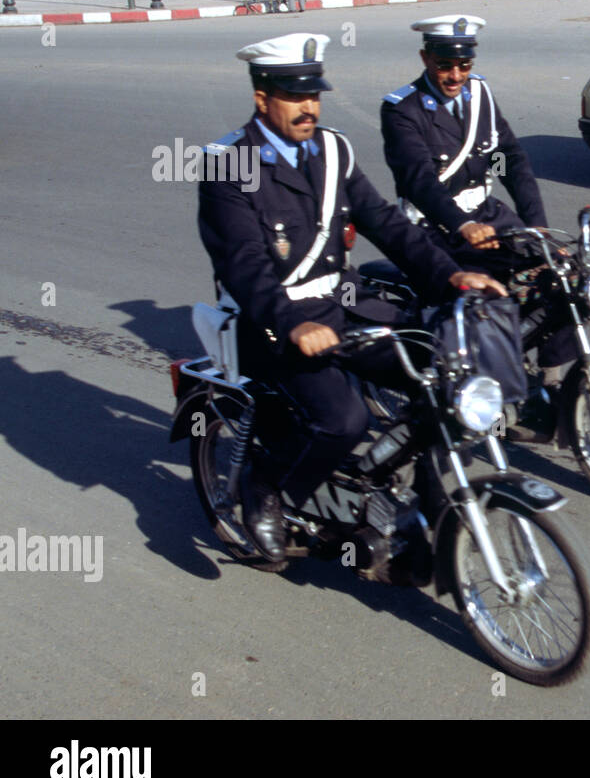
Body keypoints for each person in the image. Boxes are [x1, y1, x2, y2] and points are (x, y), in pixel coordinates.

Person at [198, 32, 503, 562]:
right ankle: (267, 489)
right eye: (293, 96)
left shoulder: (334, 149)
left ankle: (425, 512)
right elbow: (242, 264)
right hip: (272, 321)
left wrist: (452, 275)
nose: (308, 107)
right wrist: (291, 323)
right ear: (261, 98)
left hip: (342, 303)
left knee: (437, 374)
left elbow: (387, 224)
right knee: (344, 421)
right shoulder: (229, 164)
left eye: (313, 94)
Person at [379, 16, 574, 431]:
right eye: (445, 65)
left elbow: (513, 159)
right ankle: (494, 386)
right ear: (425, 58)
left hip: (486, 212)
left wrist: (535, 224)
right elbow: (420, 182)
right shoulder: (402, 110)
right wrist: (459, 225)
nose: (455, 76)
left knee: (562, 269)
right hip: (434, 226)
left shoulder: (481, 93)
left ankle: (552, 381)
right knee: (485, 295)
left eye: (463, 66)